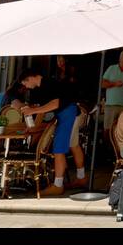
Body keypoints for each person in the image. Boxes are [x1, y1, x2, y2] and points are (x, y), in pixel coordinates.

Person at [22, 67, 89, 196]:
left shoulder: (49, 83)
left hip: (69, 113)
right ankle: (81, 178)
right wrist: (34, 127)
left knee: (59, 149)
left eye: (25, 83)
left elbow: (56, 103)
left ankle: (58, 185)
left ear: (30, 77)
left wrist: (33, 111)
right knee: (73, 145)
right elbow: (42, 111)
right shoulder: (42, 87)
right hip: (71, 113)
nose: (26, 86)